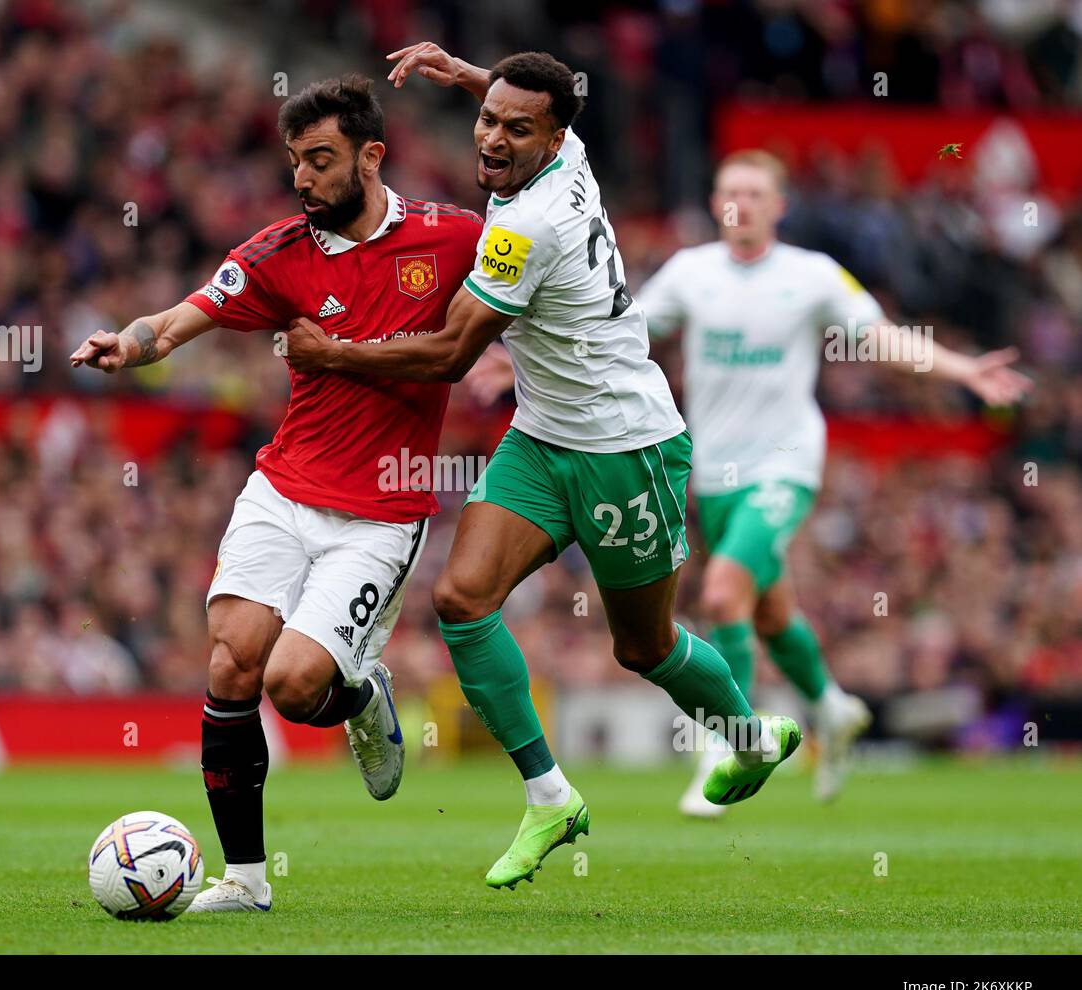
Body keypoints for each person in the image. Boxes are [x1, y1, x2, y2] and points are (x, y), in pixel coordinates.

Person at [287, 45, 800, 890]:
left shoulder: (529, 225)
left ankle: (748, 736)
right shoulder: (568, 150)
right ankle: (550, 795)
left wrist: (333, 350)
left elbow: (452, 351)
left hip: (625, 449)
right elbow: (519, 100)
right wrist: (464, 73)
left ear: (552, 136)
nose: (491, 139)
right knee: (461, 599)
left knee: (644, 646)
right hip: (542, 437)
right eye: (488, 120)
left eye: (513, 129)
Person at [71, 75, 482, 911]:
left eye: (320, 160)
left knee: (296, 687)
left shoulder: (455, 238)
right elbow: (189, 315)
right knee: (231, 661)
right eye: (296, 159)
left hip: (380, 511)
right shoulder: (278, 251)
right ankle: (248, 881)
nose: (302, 177)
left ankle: (360, 695)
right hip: (284, 487)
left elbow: (512, 300)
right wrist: (132, 342)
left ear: (372, 157)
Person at [637, 150, 1033, 815]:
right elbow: (623, 335)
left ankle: (730, 744)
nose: (741, 203)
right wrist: (527, 364)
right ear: (714, 203)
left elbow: (879, 337)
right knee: (770, 611)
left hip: (786, 463)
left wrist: (962, 369)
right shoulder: (690, 274)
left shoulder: (811, 276)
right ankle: (831, 705)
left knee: (723, 593)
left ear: (779, 206)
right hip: (714, 473)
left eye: (756, 192)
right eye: (729, 191)